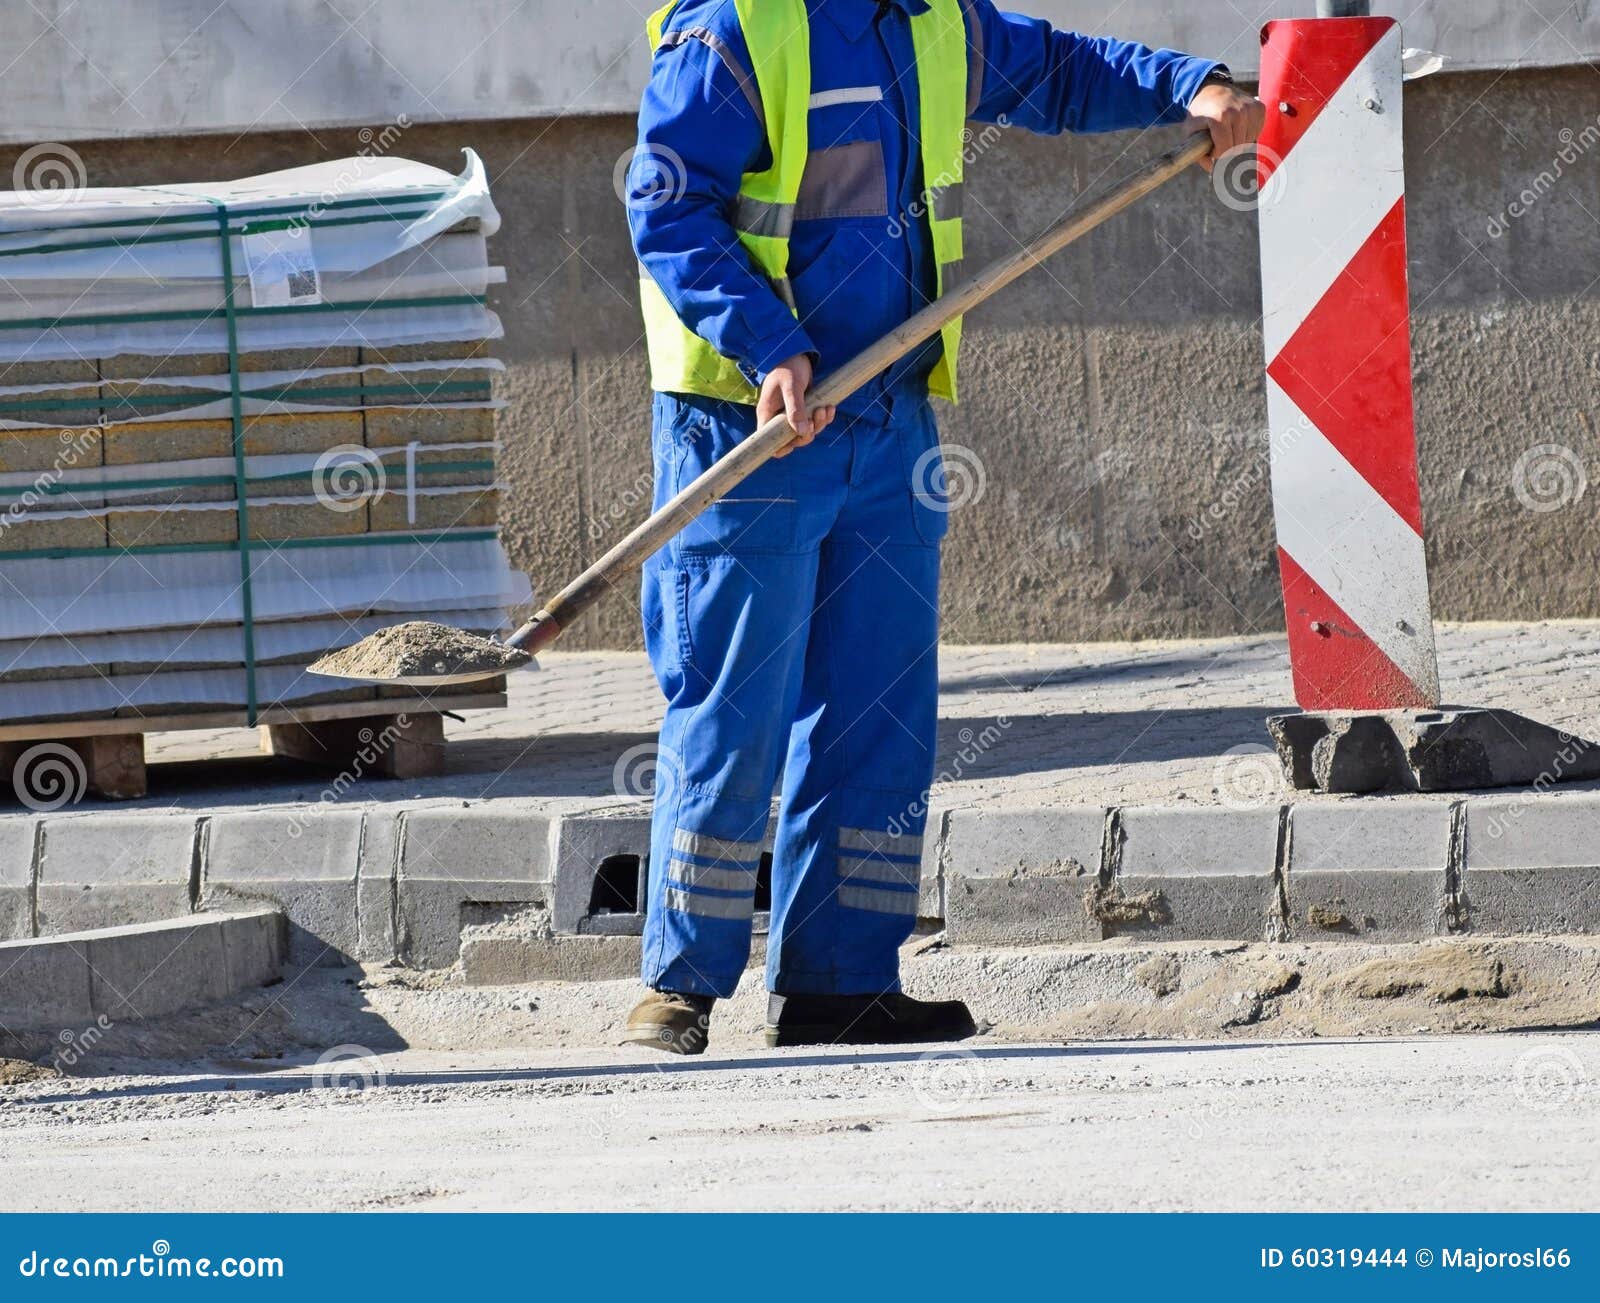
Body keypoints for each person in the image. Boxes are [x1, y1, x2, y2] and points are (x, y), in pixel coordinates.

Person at [622, 0, 1264, 1053]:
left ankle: (840, 980)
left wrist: (1187, 87)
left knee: (876, 714)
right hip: (754, 426)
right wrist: (768, 343)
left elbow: (1057, 70)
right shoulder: (735, 30)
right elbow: (668, 204)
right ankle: (679, 986)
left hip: (885, 419)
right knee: (733, 711)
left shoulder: (931, 23)